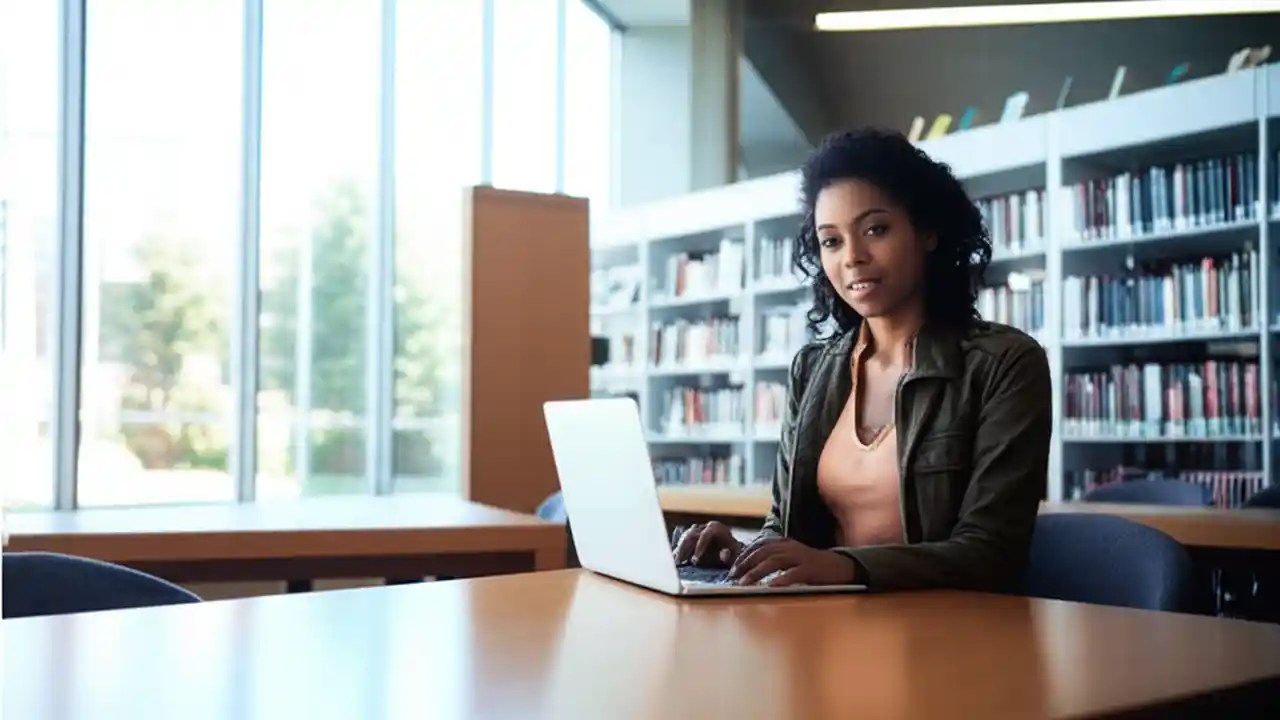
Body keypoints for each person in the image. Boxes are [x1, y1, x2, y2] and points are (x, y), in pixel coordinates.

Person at [672, 128, 1052, 592]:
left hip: (950, 634)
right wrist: (744, 552)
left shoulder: (1004, 364)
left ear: (927, 231)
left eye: (875, 229)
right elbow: (788, 526)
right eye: (831, 241)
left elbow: (992, 552)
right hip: (824, 629)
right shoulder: (812, 371)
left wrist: (847, 567)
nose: (852, 258)